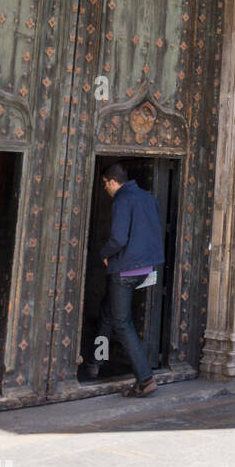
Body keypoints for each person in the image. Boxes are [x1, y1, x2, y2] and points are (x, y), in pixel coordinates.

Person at [87, 163, 164, 398]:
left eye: (104, 184)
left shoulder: (122, 199)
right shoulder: (147, 198)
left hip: (125, 271)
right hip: (145, 269)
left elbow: (119, 238)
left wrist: (104, 253)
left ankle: (145, 378)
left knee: (121, 322)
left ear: (111, 181)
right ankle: (96, 360)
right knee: (107, 312)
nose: (105, 189)